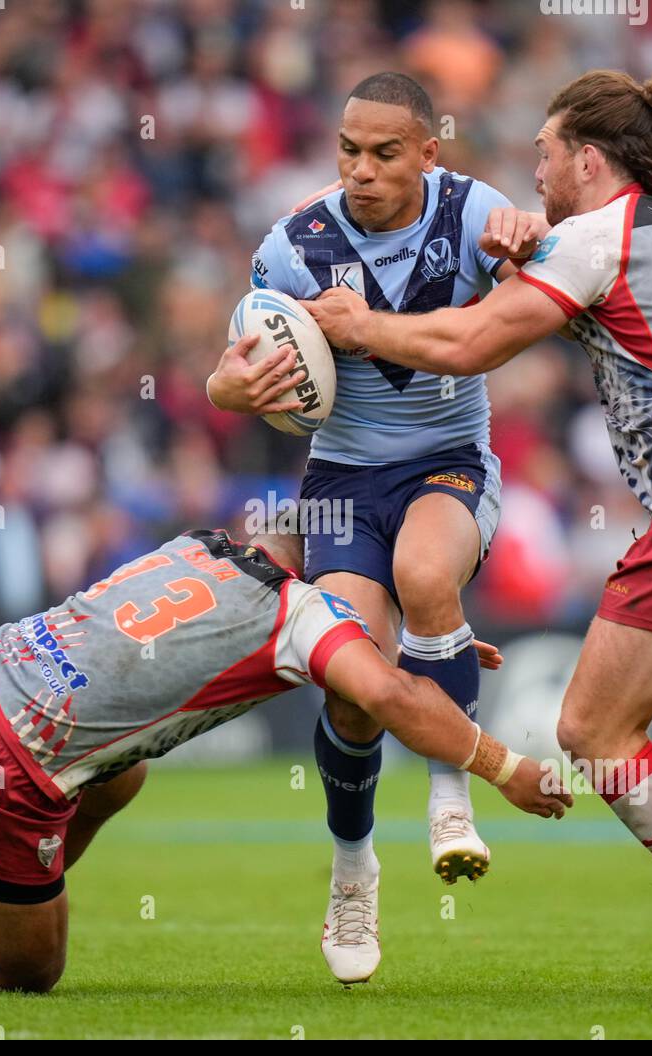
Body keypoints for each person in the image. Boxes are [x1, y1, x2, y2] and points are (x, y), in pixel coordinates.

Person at [301, 69, 652, 1004]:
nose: (532, 174)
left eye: (541, 154)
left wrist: (361, 324)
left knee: (589, 728)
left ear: (588, 157)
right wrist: (517, 250)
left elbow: (470, 346)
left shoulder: (592, 236)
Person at [0, 527, 569, 994]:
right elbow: (384, 698)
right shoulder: (309, 622)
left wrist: (404, 645)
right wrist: (504, 767)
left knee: (123, 772)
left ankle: (25, 885)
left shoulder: (204, 542)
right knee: (20, 969)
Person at [207, 72, 518, 984]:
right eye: (349, 149)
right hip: (340, 481)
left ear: (430, 151)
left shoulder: (474, 214)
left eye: (386, 153)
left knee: (428, 576)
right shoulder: (294, 243)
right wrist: (234, 388)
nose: (362, 170)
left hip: (448, 461)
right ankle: (353, 871)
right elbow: (229, 370)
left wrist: (524, 244)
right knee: (347, 679)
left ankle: (452, 794)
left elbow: (530, 298)